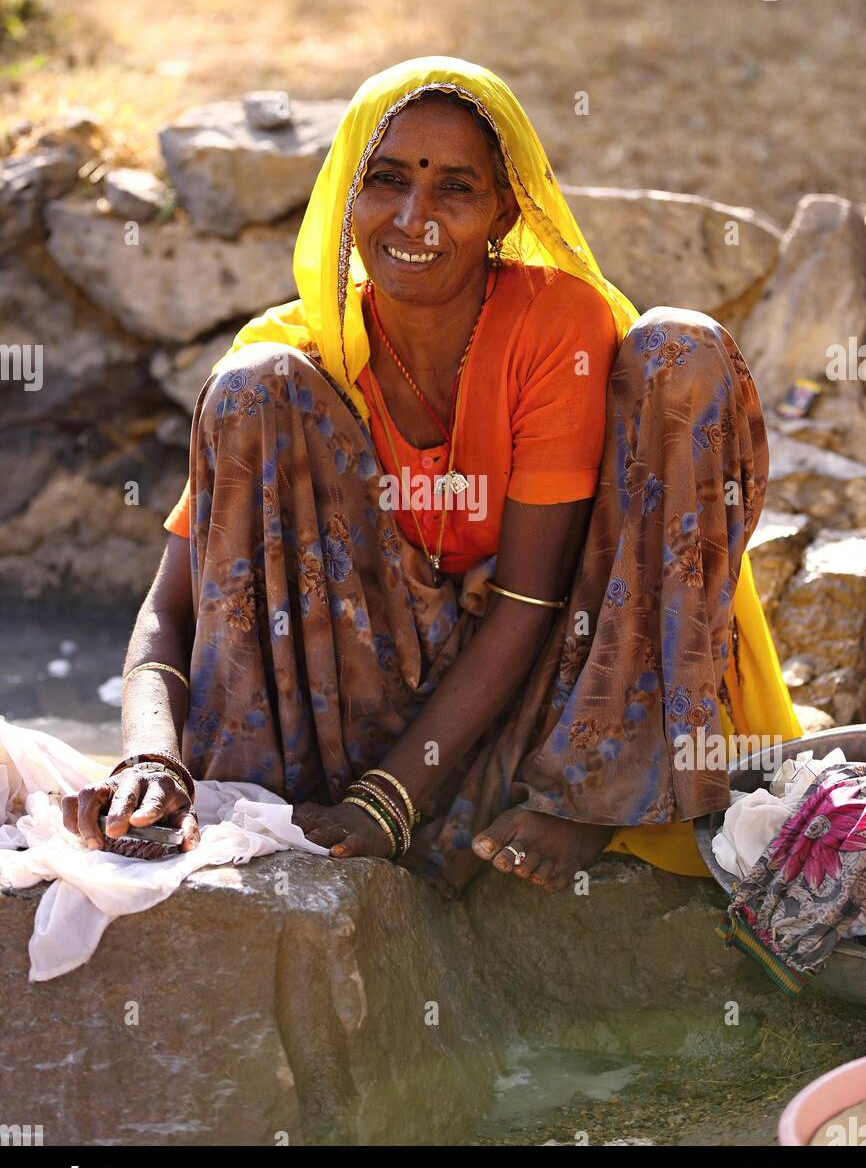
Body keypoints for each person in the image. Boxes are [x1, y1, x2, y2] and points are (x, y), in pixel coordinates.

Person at [62, 56, 801, 899]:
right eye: (386, 180)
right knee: (250, 386)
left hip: (541, 697)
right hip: (358, 719)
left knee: (682, 349)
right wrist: (151, 757)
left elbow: (529, 598)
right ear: (348, 194)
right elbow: (171, 606)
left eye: (455, 188)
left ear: (502, 211)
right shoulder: (296, 359)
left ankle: (595, 794)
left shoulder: (552, 325)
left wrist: (391, 801)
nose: (415, 217)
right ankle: (265, 793)